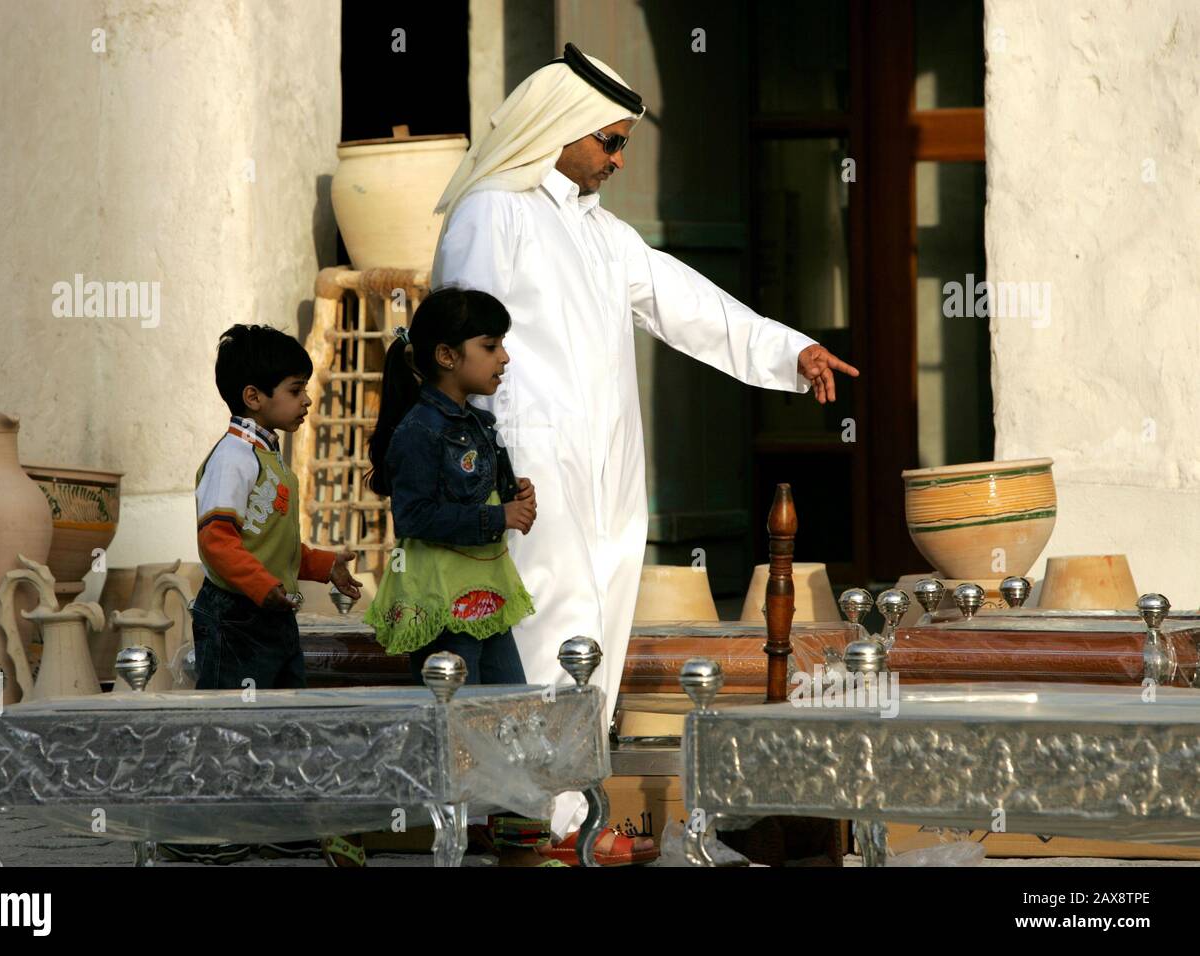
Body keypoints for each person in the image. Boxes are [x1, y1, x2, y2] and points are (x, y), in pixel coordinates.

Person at [431, 43, 860, 865]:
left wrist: (790, 353)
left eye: (624, 143)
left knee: (600, 634)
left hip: (610, 467)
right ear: (559, 129)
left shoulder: (603, 235)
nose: (619, 161)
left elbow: (689, 306)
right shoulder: (493, 211)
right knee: (545, 628)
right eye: (610, 142)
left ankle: (571, 817)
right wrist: (473, 464)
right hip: (526, 465)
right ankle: (534, 823)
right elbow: (456, 343)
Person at [161, 323, 364, 865]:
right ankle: (202, 828)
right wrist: (265, 588)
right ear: (255, 397)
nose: (306, 400)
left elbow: (275, 545)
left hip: (270, 613)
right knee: (229, 722)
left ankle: (275, 822)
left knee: (281, 721)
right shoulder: (233, 457)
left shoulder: (267, 456)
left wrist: (324, 567)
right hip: (236, 617)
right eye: (296, 390)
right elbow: (217, 541)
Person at [364, 287, 552, 865]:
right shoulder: (419, 432)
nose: (504, 358)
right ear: (447, 356)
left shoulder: (480, 423)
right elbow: (415, 516)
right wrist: (498, 515)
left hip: (486, 595)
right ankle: (441, 838)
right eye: (490, 345)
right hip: (444, 601)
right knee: (460, 724)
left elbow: (492, 486)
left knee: (512, 712)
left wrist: (516, 494)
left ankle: (518, 841)